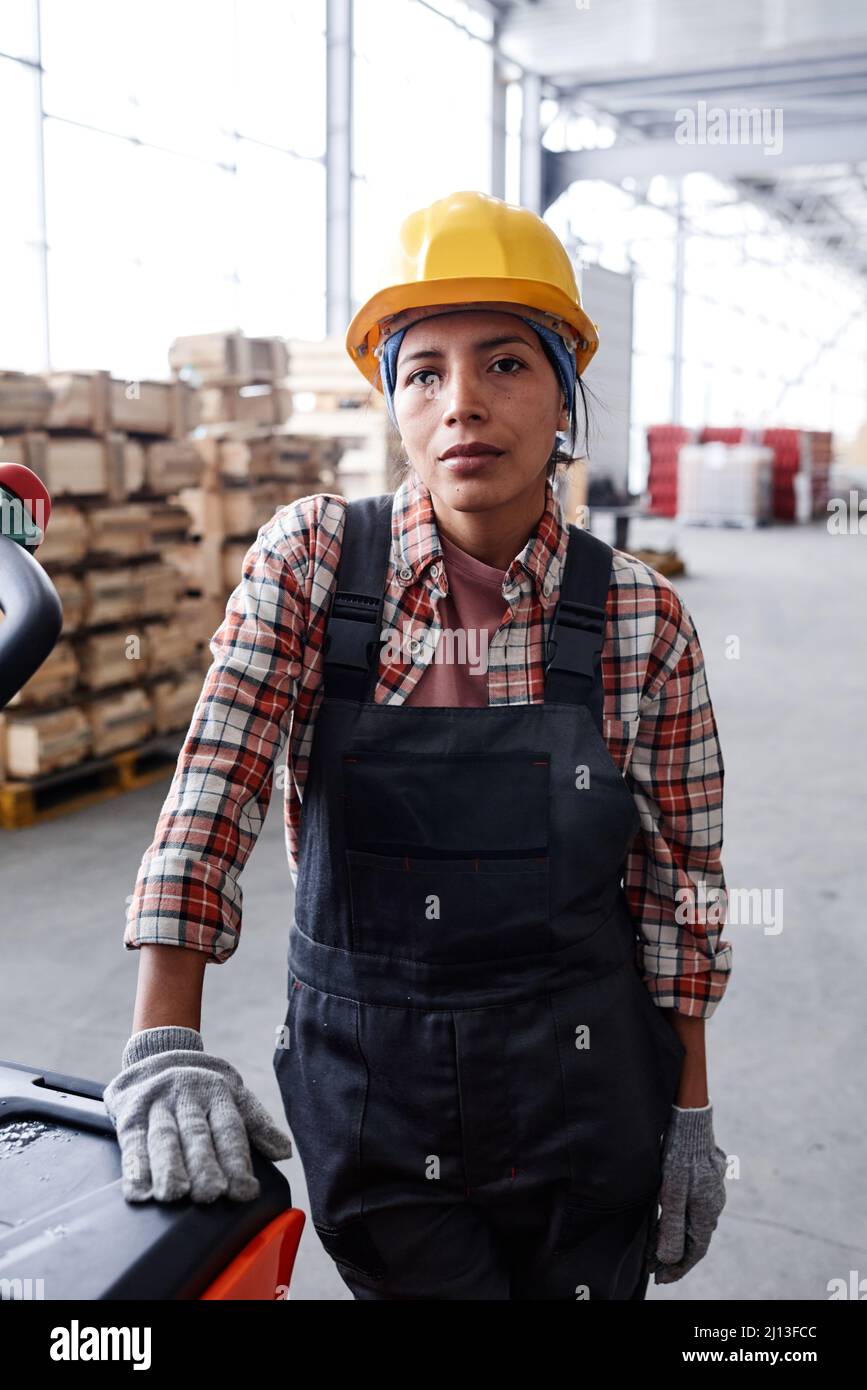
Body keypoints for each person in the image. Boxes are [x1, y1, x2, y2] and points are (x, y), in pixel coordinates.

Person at [104, 189, 731, 1301]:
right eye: (424, 372)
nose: (462, 406)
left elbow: (681, 890)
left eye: (504, 364)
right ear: (392, 401)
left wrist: (688, 1110)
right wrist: (164, 1039)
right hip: (373, 1098)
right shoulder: (313, 565)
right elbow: (213, 792)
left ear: (564, 395)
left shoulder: (642, 618)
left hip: (587, 1094)